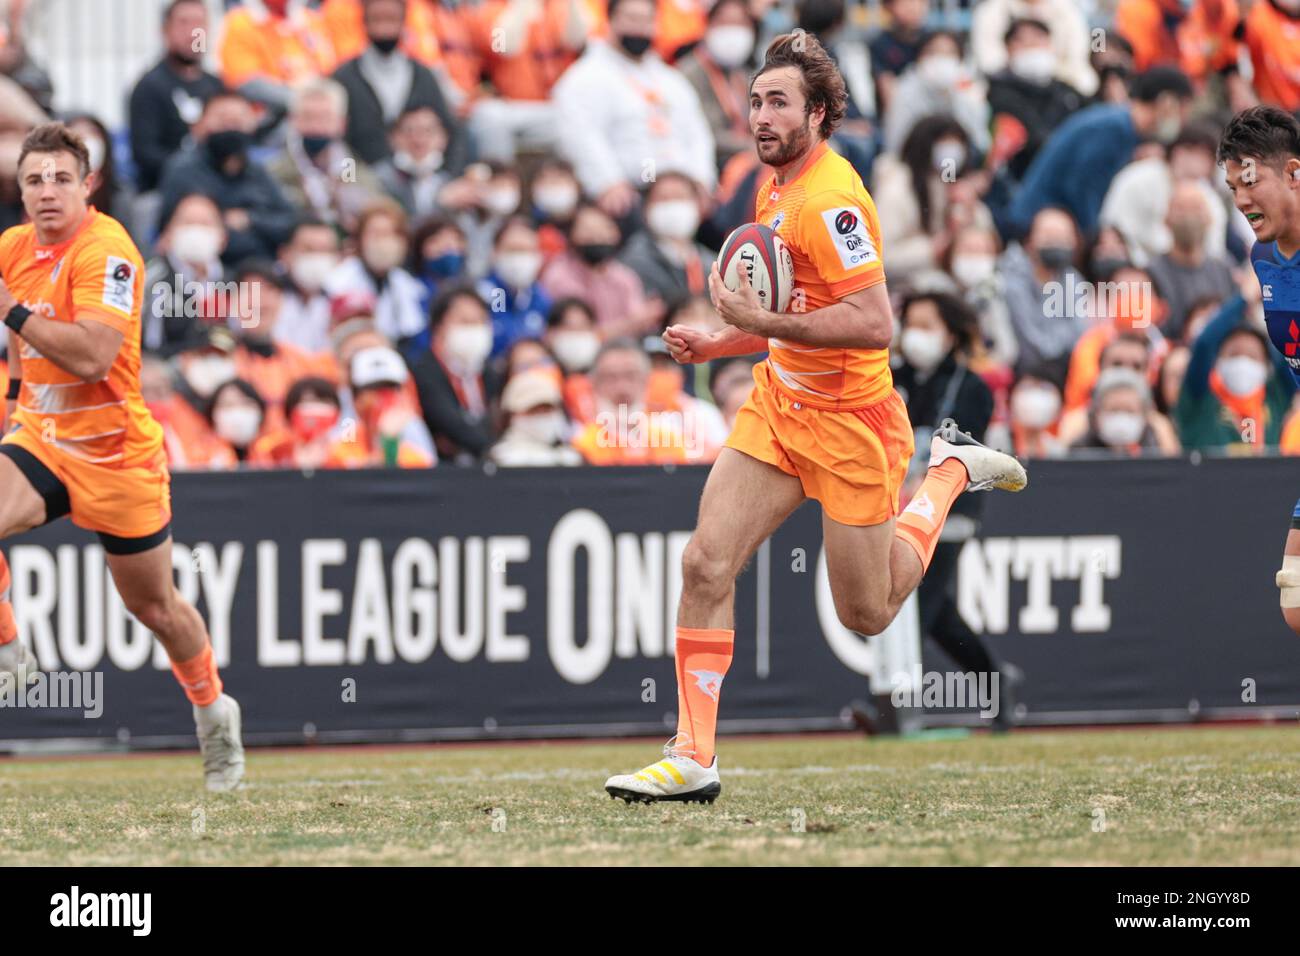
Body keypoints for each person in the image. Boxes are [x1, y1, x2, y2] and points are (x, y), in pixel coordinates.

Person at [603, 33, 1026, 804]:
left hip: (852, 422)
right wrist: (720, 338)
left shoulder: (833, 199)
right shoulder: (772, 186)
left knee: (868, 612)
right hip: (779, 404)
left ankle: (948, 475)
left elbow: (873, 324)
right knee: (704, 562)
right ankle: (693, 754)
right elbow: (789, 311)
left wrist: (759, 318)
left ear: (819, 114)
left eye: (777, 104)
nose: (760, 116)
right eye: (757, 101)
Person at [0, 123, 244, 791]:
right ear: (19, 191)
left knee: (156, 607)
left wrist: (13, 313)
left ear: (88, 185)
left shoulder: (109, 250)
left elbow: (91, 355)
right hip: (44, 436)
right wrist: (15, 398)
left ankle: (213, 712)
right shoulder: (13, 248)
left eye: (60, 179)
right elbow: (21, 345)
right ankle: (9, 651)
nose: (47, 192)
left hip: (115, 452)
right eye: (33, 180)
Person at [892, 291, 1022, 730]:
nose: (917, 334)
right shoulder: (891, 380)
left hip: (951, 511)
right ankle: (996, 682)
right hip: (898, 510)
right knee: (940, 613)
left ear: (951, 333)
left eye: (929, 325)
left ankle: (895, 704)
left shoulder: (971, 387)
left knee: (919, 605)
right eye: (912, 322)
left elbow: (969, 453)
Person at [551, 0, 716, 220]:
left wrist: (701, 181)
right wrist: (606, 183)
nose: (639, 28)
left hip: (683, 190)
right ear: (610, 21)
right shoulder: (585, 77)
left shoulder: (671, 79)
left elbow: (697, 134)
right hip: (629, 195)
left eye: (646, 20)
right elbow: (580, 134)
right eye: (631, 19)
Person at [156, 89, 298, 264]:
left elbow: (289, 222)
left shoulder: (257, 171)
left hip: (262, 269)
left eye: (238, 122)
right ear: (200, 125)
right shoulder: (184, 170)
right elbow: (175, 231)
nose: (231, 129)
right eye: (223, 121)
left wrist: (250, 219)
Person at [331, 0, 470, 170]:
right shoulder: (345, 77)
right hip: (366, 179)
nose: (384, 28)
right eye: (377, 19)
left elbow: (451, 131)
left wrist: (446, 179)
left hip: (422, 178)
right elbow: (336, 143)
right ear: (365, 22)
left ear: (403, 22)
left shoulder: (422, 75)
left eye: (391, 19)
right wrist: (355, 183)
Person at [128, 0, 226, 193]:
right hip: (163, 192)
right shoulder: (149, 87)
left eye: (200, 23)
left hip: (217, 190)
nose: (193, 32)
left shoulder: (217, 85)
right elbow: (145, 155)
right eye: (184, 22)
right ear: (165, 30)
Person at [408, 283, 503, 462]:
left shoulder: (489, 373)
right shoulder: (424, 372)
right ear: (439, 327)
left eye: (480, 321)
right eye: (465, 322)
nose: (474, 330)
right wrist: (496, 450)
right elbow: (451, 426)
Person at [489, 369, 583, 466]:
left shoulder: (570, 457)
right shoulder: (497, 459)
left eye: (547, 410)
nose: (542, 417)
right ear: (511, 415)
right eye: (534, 411)